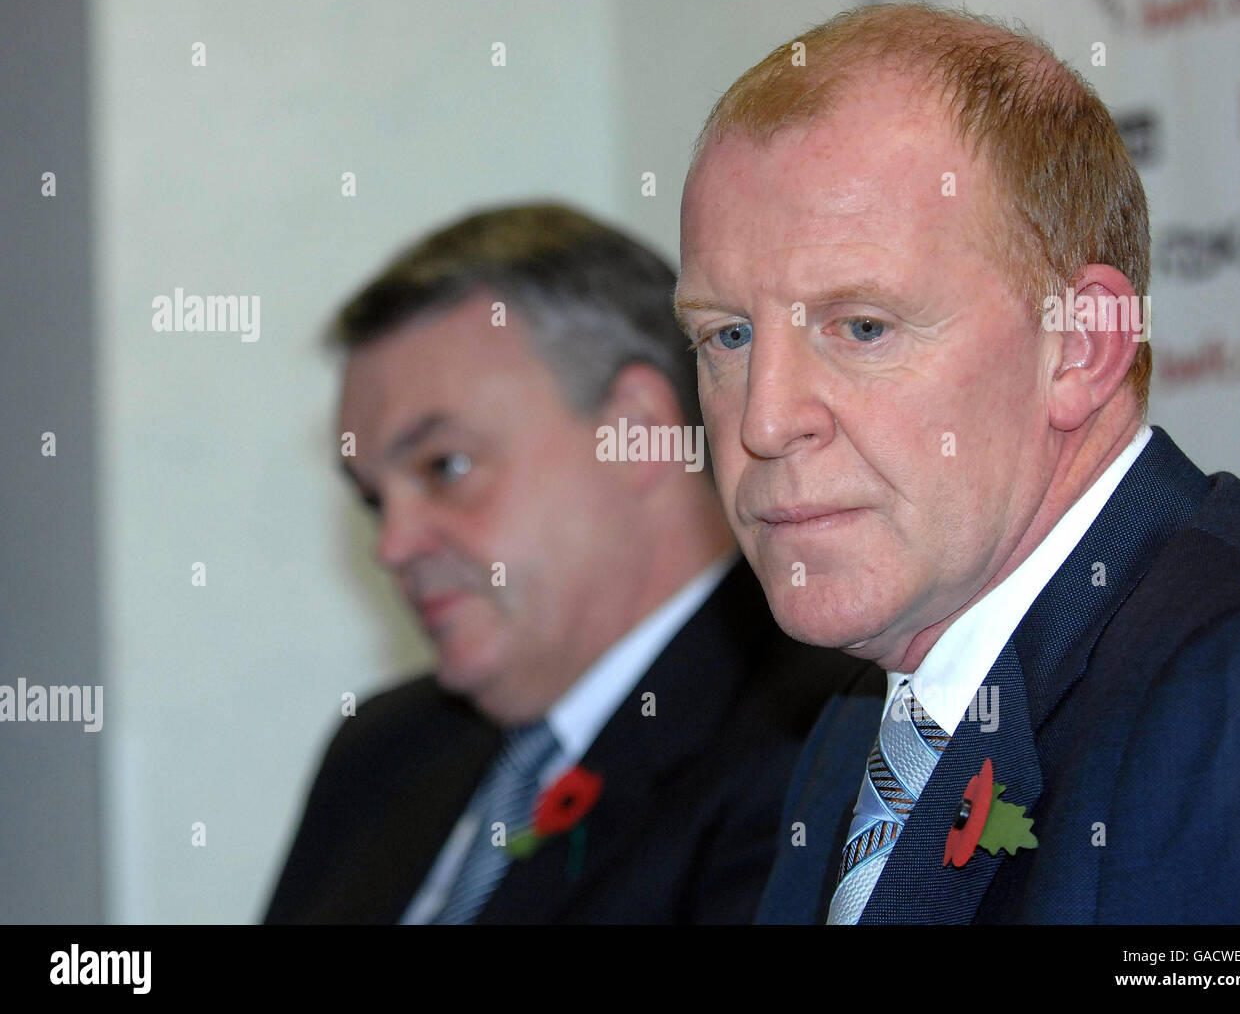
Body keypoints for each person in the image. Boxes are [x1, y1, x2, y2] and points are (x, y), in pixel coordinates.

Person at [675, 3, 1240, 924]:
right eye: (727, 335)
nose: (764, 421)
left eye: (862, 327)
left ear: (1081, 346)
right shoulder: (856, 732)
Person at [264, 202, 864, 924]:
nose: (392, 545)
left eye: (444, 466)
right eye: (372, 502)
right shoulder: (383, 751)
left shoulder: (821, 738)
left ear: (638, 433)